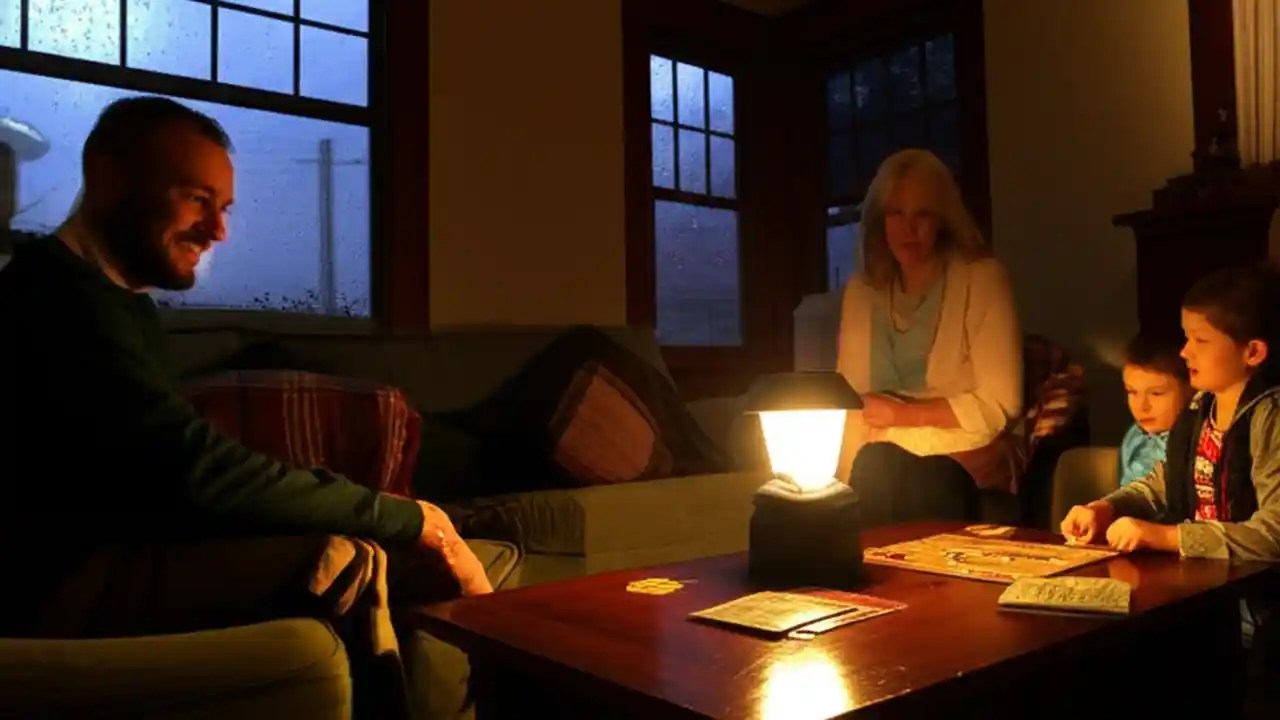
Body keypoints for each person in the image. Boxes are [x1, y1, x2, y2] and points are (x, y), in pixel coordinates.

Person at [0, 96, 490, 719]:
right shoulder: (53, 297)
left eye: (224, 208)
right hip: (59, 584)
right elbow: (197, 472)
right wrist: (410, 518)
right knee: (350, 560)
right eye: (196, 199)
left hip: (125, 553)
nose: (218, 231)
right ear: (107, 178)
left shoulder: (123, 303)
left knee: (378, 544)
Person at [836, 148, 1022, 527]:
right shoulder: (862, 291)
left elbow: (1000, 402)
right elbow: (848, 400)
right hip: (875, 456)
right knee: (870, 469)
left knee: (915, 477)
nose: (909, 228)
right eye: (896, 213)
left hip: (953, 453)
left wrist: (903, 415)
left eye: (922, 214)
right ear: (879, 219)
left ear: (943, 219)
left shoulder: (981, 278)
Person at [1060, 263, 1280, 560]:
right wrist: (1106, 508)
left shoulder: (1269, 417)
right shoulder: (1200, 408)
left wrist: (1165, 536)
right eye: (1187, 337)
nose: (1185, 351)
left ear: (1252, 352)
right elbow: (1166, 482)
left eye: (1201, 340)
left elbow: (1273, 533)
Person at [1117, 332, 1192, 487]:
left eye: (1156, 393)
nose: (1142, 406)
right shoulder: (1135, 436)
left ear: (1190, 389)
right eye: (1132, 392)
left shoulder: (1196, 445)